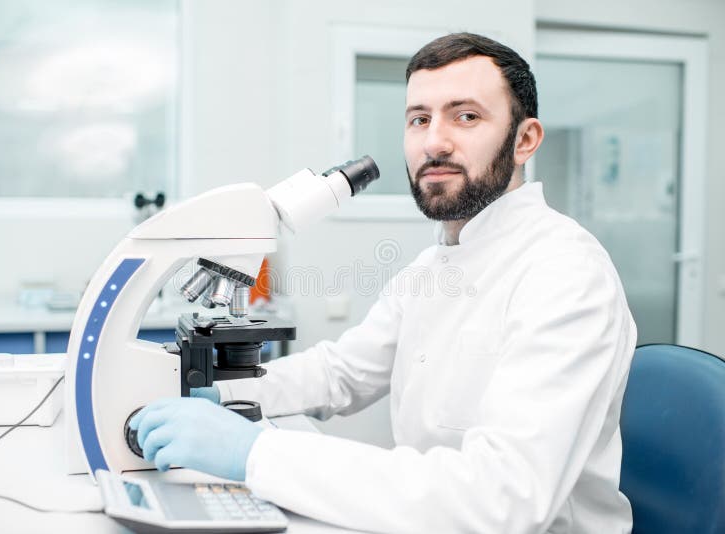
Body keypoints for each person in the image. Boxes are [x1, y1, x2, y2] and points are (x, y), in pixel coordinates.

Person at [130, 32, 636, 533]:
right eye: (420, 119)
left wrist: (256, 453)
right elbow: (343, 372)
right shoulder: (432, 267)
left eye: (466, 116)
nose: (434, 141)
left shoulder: (566, 274)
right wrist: (220, 394)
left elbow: (503, 499)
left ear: (524, 140)